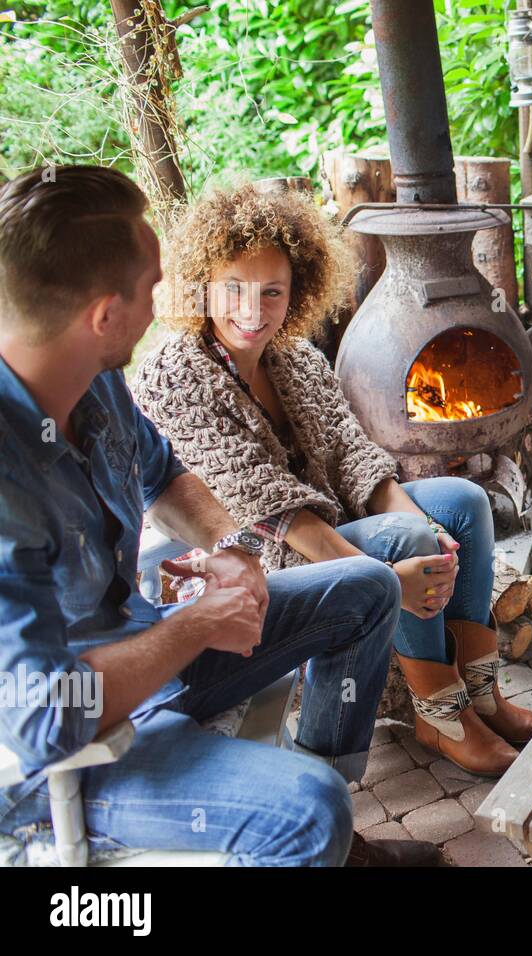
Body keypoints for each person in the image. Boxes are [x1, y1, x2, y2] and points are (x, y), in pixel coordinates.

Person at [0, 165, 435, 866]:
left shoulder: (96, 381)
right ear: (105, 315)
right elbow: (43, 719)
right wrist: (198, 623)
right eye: (151, 287)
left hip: (151, 655)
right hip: (64, 765)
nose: (164, 302)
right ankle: (311, 821)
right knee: (307, 810)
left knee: (366, 588)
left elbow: (161, 472)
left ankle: (332, 832)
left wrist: (230, 548)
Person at [132, 183, 532, 779]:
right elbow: (269, 508)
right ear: (202, 284)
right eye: (234, 290)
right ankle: (441, 716)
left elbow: (354, 453)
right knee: (406, 544)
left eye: (273, 291)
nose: (253, 310)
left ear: (297, 291)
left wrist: (419, 518)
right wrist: (380, 573)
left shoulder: (296, 358)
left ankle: (481, 697)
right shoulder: (176, 376)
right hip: (264, 554)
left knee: (462, 501)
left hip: (332, 528)